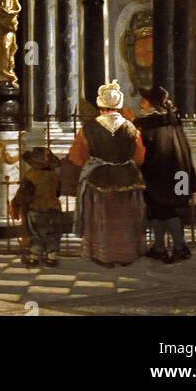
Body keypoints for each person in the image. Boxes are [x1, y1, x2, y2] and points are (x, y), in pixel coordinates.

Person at [66, 79, 146, 267]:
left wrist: (93, 163)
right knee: (123, 219)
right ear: (118, 106)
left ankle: (104, 256)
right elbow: (140, 156)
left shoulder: (88, 128)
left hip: (98, 179)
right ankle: (125, 255)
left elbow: (77, 156)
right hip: (127, 177)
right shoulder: (131, 128)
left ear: (100, 105)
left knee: (101, 218)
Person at [135, 84, 196, 263]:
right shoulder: (170, 120)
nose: (141, 104)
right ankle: (159, 247)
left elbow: (149, 152)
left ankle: (180, 247)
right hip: (179, 174)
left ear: (152, 105)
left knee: (166, 211)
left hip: (161, 176)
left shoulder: (152, 124)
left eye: (144, 101)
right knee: (158, 211)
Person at [10, 147, 62, 268]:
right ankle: (52, 257)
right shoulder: (54, 174)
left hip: (36, 208)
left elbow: (24, 194)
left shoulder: (31, 175)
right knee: (52, 233)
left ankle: (34, 257)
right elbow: (58, 192)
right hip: (54, 208)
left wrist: (15, 204)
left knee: (36, 234)